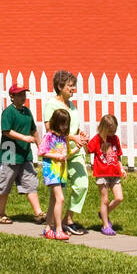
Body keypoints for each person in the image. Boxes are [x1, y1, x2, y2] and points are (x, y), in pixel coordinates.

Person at [41, 69, 89, 235]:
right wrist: (72, 137)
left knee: (82, 184)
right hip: (57, 154)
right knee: (56, 195)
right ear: (60, 86)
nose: (73, 88)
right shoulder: (51, 105)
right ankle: (51, 226)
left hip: (73, 152)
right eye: (70, 85)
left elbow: (73, 126)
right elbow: (50, 129)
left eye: (74, 85)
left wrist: (80, 135)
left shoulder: (72, 105)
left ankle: (68, 219)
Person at [0, 82, 46, 224]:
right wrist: (24, 138)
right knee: (4, 183)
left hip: (24, 153)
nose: (23, 97)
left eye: (24, 94)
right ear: (12, 96)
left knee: (30, 182)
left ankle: (38, 213)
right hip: (9, 152)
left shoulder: (27, 111)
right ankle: (0, 214)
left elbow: (33, 129)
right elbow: (6, 131)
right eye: (20, 94)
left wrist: (39, 144)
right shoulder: (8, 112)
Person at [87, 113, 126, 235]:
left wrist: (122, 168)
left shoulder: (115, 139)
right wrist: (84, 142)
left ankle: (103, 213)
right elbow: (88, 149)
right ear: (103, 129)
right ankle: (105, 225)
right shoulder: (97, 139)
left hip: (114, 173)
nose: (112, 134)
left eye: (114, 131)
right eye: (110, 132)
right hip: (102, 173)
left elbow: (118, 156)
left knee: (119, 197)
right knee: (105, 199)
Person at [39, 108, 73, 240]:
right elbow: (41, 152)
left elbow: (66, 154)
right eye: (62, 124)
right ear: (55, 122)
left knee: (53, 200)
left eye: (66, 124)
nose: (64, 127)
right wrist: (56, 156)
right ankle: (58, 229)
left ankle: (48, 228)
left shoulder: (62, 138)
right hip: (51, 170)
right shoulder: (49, 136)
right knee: (60, 198)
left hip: (61, 171)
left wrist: (77, 148)